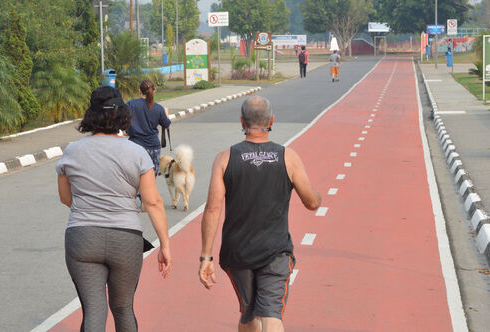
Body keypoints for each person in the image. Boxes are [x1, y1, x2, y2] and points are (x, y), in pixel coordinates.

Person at [197, 96, 321, 332]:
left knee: (249, 311)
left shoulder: (224, 159)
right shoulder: (288, 157)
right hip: (275, 252)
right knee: (272, 312)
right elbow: (312, 202)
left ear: (242, 121)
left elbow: (213, 209)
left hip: (237, 253)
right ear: (271, 120)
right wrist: (317, 196)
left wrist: (206, 257)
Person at [56, 86, 173, 332]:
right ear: (123, 116)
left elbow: (66, 198)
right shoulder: (137, 153)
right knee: (122, 308)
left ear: (90, 116)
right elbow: (152, 202)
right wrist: (165, 245)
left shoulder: (72, 152)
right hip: (125, 238)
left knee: (93, 311)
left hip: (82, 237)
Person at [126, 80, 171, 174]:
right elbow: (166, 124)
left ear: (139, 91)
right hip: (153, 147)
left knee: (135, 175)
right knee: (151, 177)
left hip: (135, 145)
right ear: (153, 91)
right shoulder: (159, 108)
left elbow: (122, 117)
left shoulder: (131, 104)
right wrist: (166, 114)